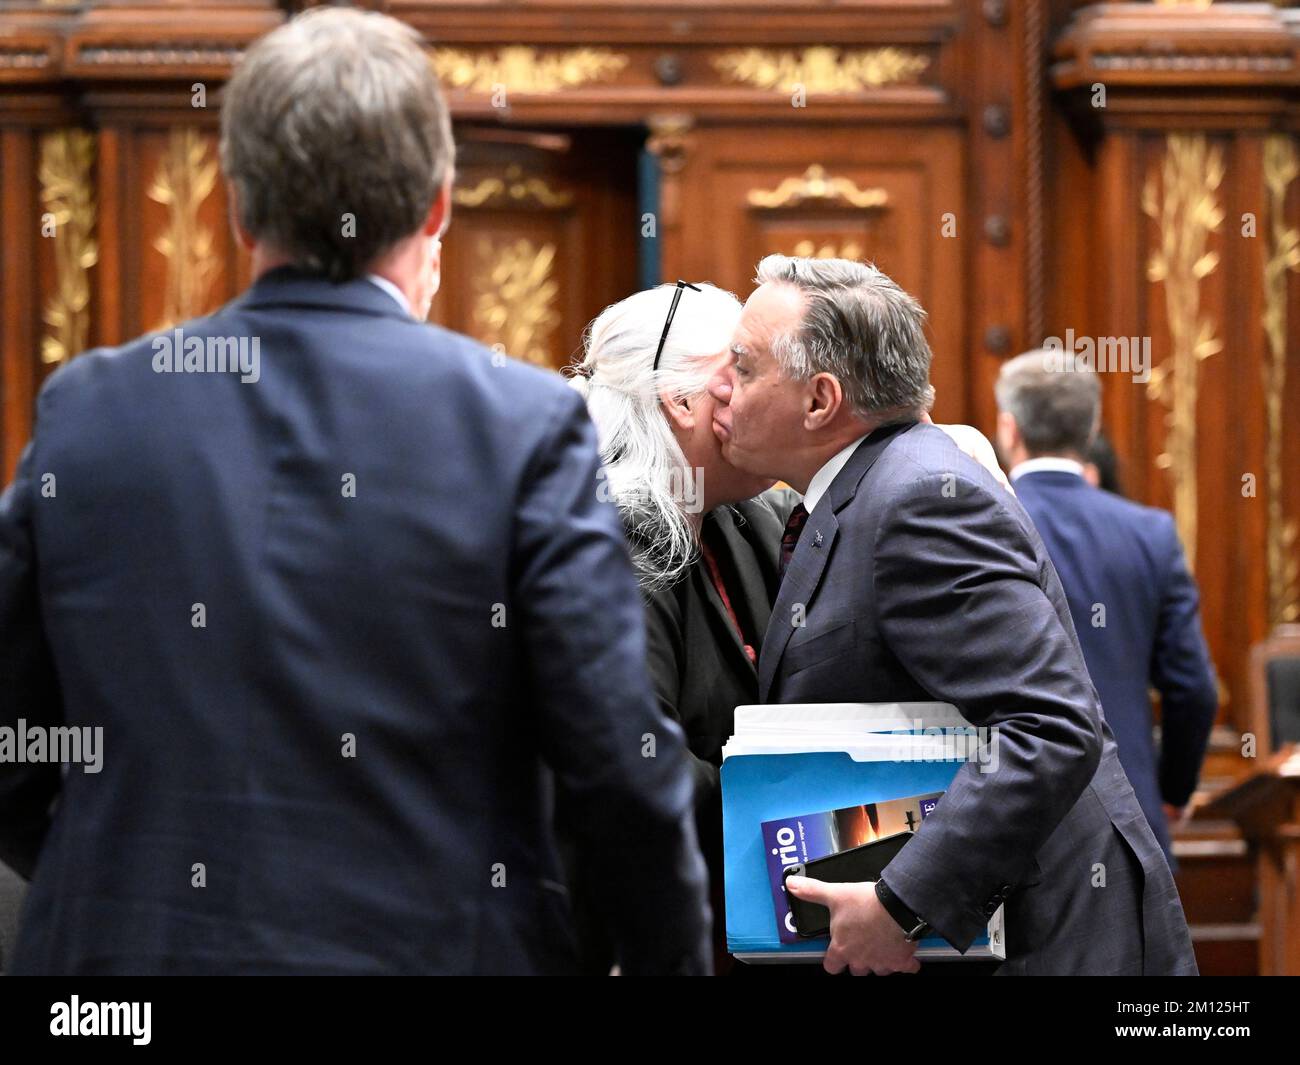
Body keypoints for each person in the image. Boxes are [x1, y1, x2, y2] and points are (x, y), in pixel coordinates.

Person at [0, 7, 709, 975]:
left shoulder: (90, 411)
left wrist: (113, 887)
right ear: (437, 209)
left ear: (239, 209)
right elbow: (620, 773)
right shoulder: (522, 426)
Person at [707, 254, 1199, 976]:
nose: (721, 385)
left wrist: (902, 902)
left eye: (744, 368)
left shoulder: (916, 502)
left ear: (820, 400)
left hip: (1056, 940)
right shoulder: (868, 488)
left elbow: (1050, 726)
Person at [567, 279, 1010, 972]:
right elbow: (629, 768)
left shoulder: (750, 517)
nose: (750, 397)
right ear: (678, 403)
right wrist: (797, 826)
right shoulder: (609, 546)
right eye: (734, 375)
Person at [995, 351, 1218, 867]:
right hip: (1131, 816)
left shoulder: (980, 521)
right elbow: (1193, 690)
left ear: (1009, 428)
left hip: (1009, 826)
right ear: (1093, 426)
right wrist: (1175, 791)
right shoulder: (1151, 534)